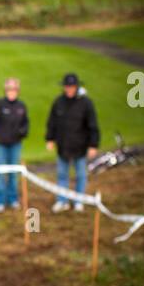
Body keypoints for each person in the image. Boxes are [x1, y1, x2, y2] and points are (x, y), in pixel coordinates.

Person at [45, 72, 100, 213]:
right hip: (63, 147)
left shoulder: (86, 103)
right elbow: (52, 122)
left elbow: (93, 125)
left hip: (80, 147)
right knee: (62, 175)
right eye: (67, 86)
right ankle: (62, 201)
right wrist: (50, 139)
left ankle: (78, 201)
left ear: (77, 87)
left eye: (72, 86)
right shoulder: (58, 102)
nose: (69, 89)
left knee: (81, 175)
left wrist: (93, 145)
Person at [0, 77, 29, 212]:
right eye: (9, 89)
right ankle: (0, 201)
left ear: (18, 91)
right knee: (1, 172)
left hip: (15, 145)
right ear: (5, 90)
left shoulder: (21, 106)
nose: (12, 92)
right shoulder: (0, 103)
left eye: (14, 89)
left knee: (13, 173)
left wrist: (22, 132)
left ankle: (13, 199)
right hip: (0, 144)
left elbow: (26, 124)